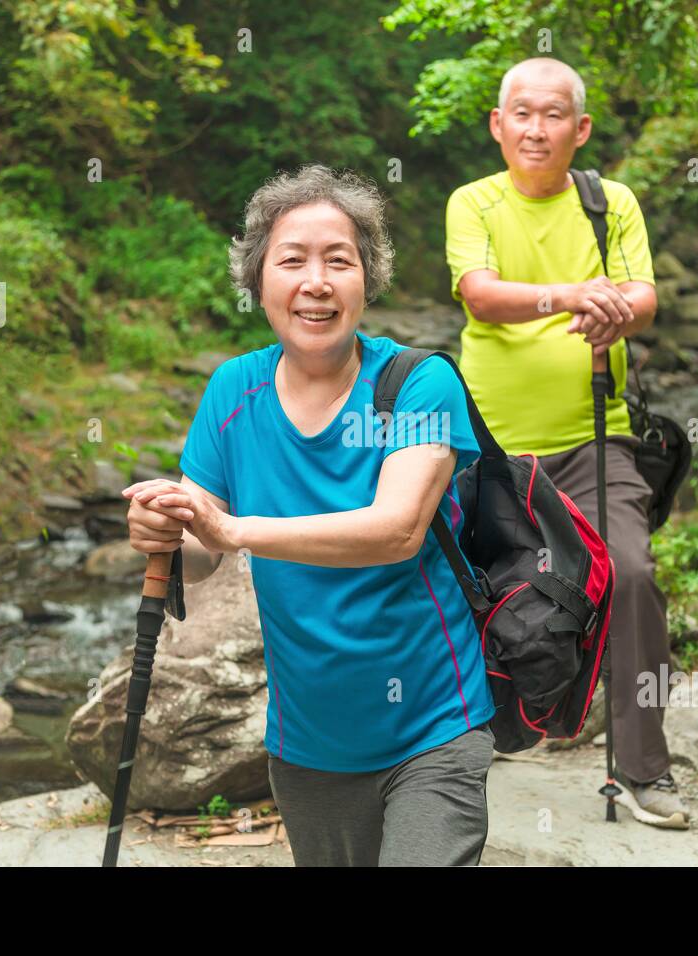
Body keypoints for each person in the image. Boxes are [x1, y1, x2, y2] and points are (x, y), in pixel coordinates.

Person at [122, 163, 497, 866]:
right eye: (291, 260)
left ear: (367, 278)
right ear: (259, 282)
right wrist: (164, 532)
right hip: (309, 745)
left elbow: (396, 531)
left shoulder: (419, 383)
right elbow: (198, 560)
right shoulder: (234, 389)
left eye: (340, 261)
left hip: (434, 725)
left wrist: (233, 531)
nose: (316, 282)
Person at [444, 57, 689, 829]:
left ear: (579, 129)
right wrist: (570, 295)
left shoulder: (609, 204)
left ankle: (644, 771)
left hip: (598, 436)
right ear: (497, 124)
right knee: (457, 587)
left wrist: (619, 311)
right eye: (521, 113)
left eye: (554, 115)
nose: (536, 128)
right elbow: (480, 295)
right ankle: (443, 752)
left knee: (634, 574)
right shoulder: (473, 202)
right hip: (492, 451)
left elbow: (644, 296)